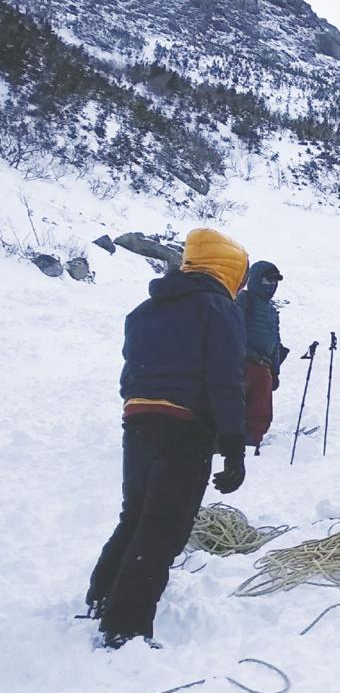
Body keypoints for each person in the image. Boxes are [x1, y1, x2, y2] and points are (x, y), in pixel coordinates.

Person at [85, 228, 249, 649]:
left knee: (136, 515)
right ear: (228, 268)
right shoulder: (219, 308)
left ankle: (102, 595)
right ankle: (126, 626)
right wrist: (233, 447)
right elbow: (226, 380)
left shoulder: (143, 310)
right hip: (186, 425)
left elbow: (130, 374)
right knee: (164, 529)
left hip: (137, 419)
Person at [237, 260, 288, 452]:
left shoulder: (272, 311)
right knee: (237, 404)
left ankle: (253, 443)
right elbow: (233, 328)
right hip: (244, 362)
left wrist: (275, 372)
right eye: (269, 281)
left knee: (261, 410)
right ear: (257, 280)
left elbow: (275, 343)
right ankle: (229, 441)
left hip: (264, 366)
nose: (273, 286)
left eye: (275, 282)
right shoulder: (245, 300)